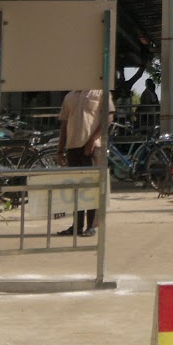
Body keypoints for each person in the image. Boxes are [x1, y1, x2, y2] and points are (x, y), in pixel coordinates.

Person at [57, 80, 112, 237]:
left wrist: (92, 140)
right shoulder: (69, 97)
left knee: (92, 188)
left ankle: (91, 225)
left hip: (93, 148)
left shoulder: (100, 92)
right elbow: (64, 126)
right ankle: (77, 225)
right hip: (73, 147)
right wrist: (60, 151)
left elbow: (108, 118)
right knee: (77, 188)